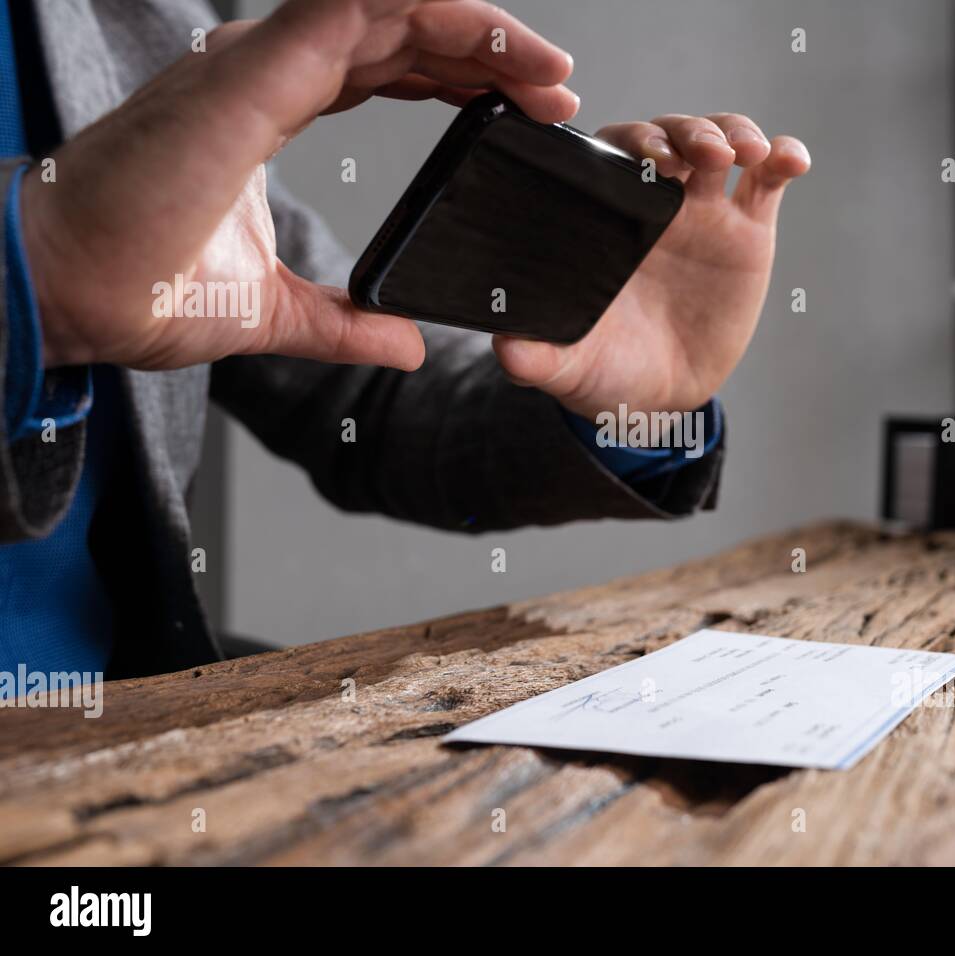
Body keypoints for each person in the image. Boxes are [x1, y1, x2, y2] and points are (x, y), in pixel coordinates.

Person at [0, 0, 810, 678]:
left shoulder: (152, 21)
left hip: (129, 708)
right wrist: (36, 274)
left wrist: (637, 411)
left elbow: (367, 393)